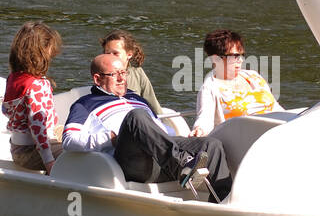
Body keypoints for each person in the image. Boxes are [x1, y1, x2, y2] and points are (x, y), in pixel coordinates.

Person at [63, 53, 233, 201]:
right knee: (136, 116)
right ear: (97, 79)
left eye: (123, 72)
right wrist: (109, 138)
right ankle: (181, 165)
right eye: (114, 74)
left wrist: (185, 139)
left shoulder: (137, 98)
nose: (122, 78)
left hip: (161, 158)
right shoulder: (84, 104)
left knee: (211, 144)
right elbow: (69, 140)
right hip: (132, 162)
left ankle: (223, 202)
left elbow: (158, 130)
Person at [190, 29, 281, 137]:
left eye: (241, 55)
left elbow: (276, 108)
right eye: (235, 56)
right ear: (216, 59)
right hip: (247, 140)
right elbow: (205, 118)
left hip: (276, 132)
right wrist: (199, 129)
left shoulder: (253, 77)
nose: (241, 61)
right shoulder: (210, 88)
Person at [2, 22, 63, 173]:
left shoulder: (14, 79)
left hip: (18, 150)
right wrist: (49, 162)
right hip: (33, 153)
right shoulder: (37, 85)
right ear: (41, 52)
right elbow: (38, 127)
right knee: (82, 154)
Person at [100, 30, 164, 116]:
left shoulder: (138, 73)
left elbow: (153, 104)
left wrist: (164, 125)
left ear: (129, 54)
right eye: (108, 53)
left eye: (115, 53)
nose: (111, 57)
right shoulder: (101, 76)